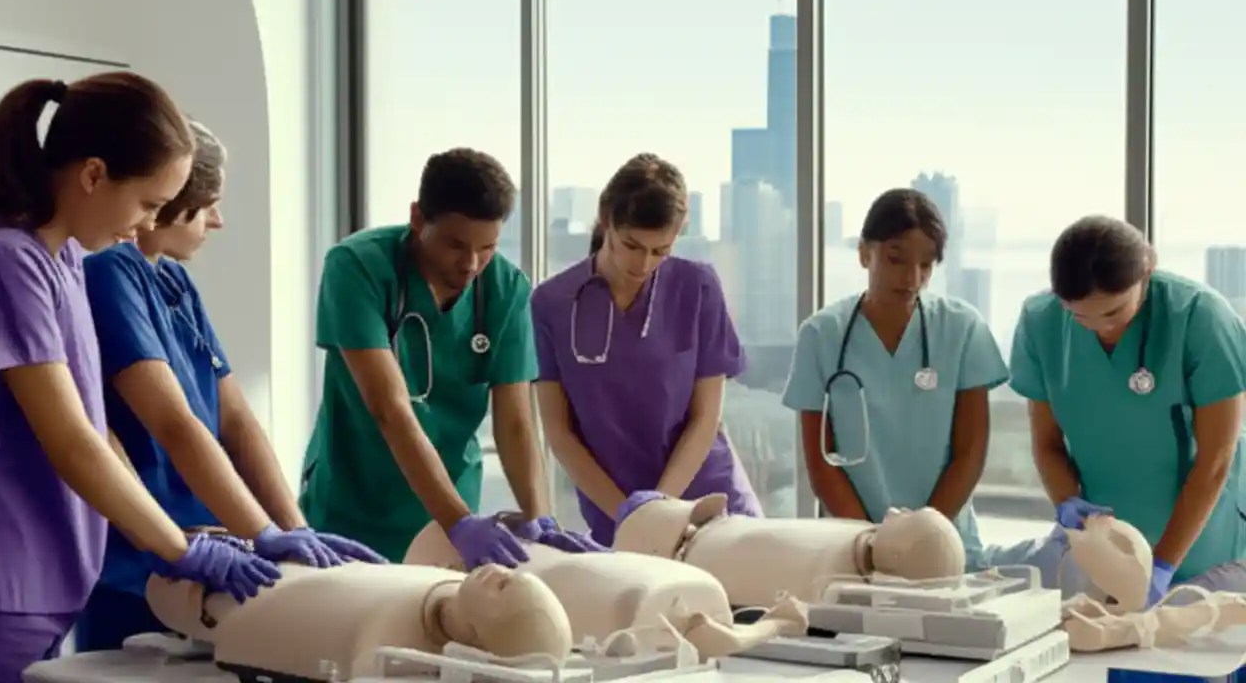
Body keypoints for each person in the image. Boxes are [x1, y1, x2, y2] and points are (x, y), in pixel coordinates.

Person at [0, 73, 279, 680]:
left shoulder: (61, 258)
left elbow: (93, 427)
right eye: (149, 205)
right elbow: (73, 443)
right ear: (93, 175)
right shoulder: (6, 263)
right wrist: (181, 550)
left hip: (39, 580)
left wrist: (187, 534)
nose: (144, 226)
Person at [73, 120, 384, 652]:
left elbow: (235, 420)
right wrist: (261, 532)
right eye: (207, 206)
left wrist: (292, 530)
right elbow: (173, 424)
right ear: (170, 203)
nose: (217, 221)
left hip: (218, 553)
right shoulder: (110, 273)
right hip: (144, 562)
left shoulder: (173, 280)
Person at [300, 147, 600, 568]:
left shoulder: (506, 289)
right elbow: (389, 408)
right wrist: (458, 522)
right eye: (455, 245)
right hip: (354, 505)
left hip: (452, 505)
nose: (471, 264)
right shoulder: (357, 266)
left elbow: (515, 422)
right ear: (417, 218)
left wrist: (540, 518)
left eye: (488, 247)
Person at [1010, 215, 1246, 607]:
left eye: (1113, 312)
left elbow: (1216, 460)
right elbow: (1047, 443)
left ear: (1147, 271)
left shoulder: (1200, 317)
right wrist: (1069, 505)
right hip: (1108, 551)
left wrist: (1162, 565)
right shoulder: (1041, 322)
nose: (1099, 328)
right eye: (1078, 315)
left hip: (1205, 548)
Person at [531, 153, 762, 547]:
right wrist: (630, 516)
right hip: (616, 513)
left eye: (660, 251)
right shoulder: (551, 303)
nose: (643, 264)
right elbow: (559, 432)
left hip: (712, 504)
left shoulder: (698, 287)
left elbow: (705, 418)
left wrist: (657, 510)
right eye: (631, 245)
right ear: (605, 217)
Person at [782, 188, 1009, 569]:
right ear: (864, 253)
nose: (911, 277)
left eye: (926, 265)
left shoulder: (962, 328)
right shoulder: (821, 336)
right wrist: (873, 547)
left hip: (946, 547)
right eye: (895, 259)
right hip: (855, 549)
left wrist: (923, 541)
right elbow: (821, 462)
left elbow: (970, 453)